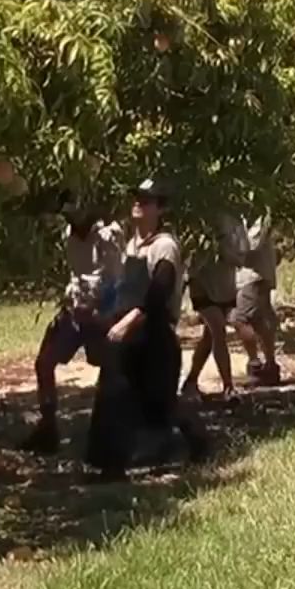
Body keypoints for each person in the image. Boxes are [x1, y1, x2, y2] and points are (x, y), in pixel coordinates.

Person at [87, 179, 206, 480]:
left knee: (160, 401)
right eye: (137, 198)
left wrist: (130, 321)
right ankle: (111, 467)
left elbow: (159, 292)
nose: (138, 203)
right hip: (129, 335)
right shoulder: (131, 245)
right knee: (115, 396)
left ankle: (199, 443)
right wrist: (106, 313)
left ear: (160, 208)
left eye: (148, 200)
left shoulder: (165, 246)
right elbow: (125, 290)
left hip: (154, 335)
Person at [26, 200, 123, 453]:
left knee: (113, 370)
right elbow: (76, 274)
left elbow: (115, 279)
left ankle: (113, 432)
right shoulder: (69, 233)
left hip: (101, 314)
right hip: (74, 312)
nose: (70, 218)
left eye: (74, 213)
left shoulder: (108, 235)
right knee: (44, 361)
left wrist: (100, 313)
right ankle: (48, 429)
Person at [181, 211, 247, 404]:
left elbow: (242, 257)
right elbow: (189, 259)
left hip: (225, 285)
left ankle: (191, 381)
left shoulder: (235, 222)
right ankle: (229, 387)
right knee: (218, 331)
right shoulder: (197, 222)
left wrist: (225, 251)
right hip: (202, 286)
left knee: (209, 337)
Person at [231, 210, 280, 387]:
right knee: (261, 320)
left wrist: (227, 245)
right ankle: (270, 366)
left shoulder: (259, 214)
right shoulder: (245, 215)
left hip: (253, 276)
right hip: (253, 276)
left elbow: (251, 245)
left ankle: (255, 364)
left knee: (239, 319)